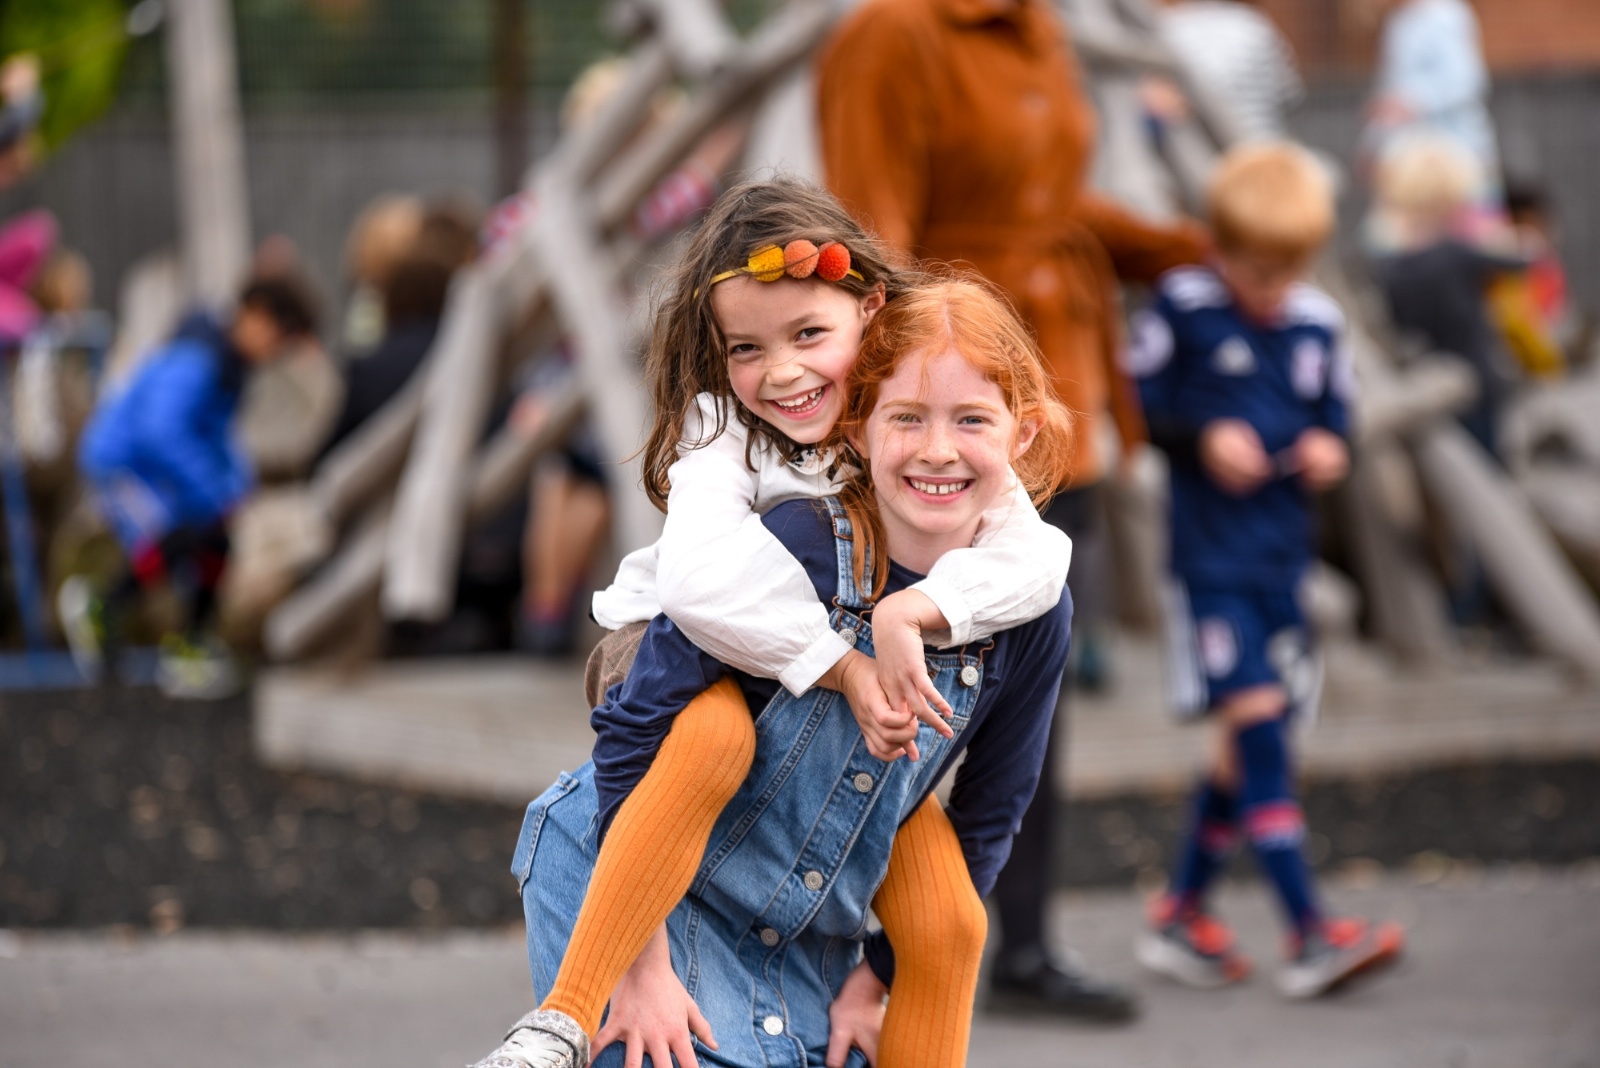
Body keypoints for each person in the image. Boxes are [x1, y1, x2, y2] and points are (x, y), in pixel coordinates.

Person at [471, 182, 1072, 1068]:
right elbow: (696, 600)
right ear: (872, 422)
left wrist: (915, 611)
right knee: (714, 735)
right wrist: (636, 963)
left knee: (949, 916)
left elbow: (1039, 565)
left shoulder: (992, 535)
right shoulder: (734, 457)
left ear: (868, 317)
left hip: (859, 777)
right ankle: (562, 1019)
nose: (784, 372)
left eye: (808, 337)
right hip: (668, 647)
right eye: (748, 349)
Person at [816, 0, 1209, 1019]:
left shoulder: (1036, 27)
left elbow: (1055, 205)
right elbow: (873, 238)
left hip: (1032, 405)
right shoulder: (893, 34)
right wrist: (894, 415)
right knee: (883, 684)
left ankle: (1015, 940)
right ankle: (831, 939)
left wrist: (1191, 249)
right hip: (938, 420)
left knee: (1028, 685)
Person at [1124, 143, 1404, 997]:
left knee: (1241, 753)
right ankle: (1310, 931)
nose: (1272, 286)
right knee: (1262, 729)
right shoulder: (1181, 306)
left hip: (1284, 560)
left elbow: (1338, 418)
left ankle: (1180, 914)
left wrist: (1330, 448)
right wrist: (1201, 439)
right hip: (1211, 565)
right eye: (1256, 268)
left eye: (1290, 270)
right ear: (1217, 245)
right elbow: (1138, 405)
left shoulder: (1319, 320)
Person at [58, 273, 320, 697]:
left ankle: (190, 643)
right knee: (181, 534)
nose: (281, 350)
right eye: (283, 334)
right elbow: (160, 431)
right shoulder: (197, 358)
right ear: (255, 316)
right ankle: (101, 603)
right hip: (122, 464)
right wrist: (214, 491)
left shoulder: (231, 366)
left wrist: (236, 485)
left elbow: (218, 436)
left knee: (215, 537)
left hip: (153, 468)